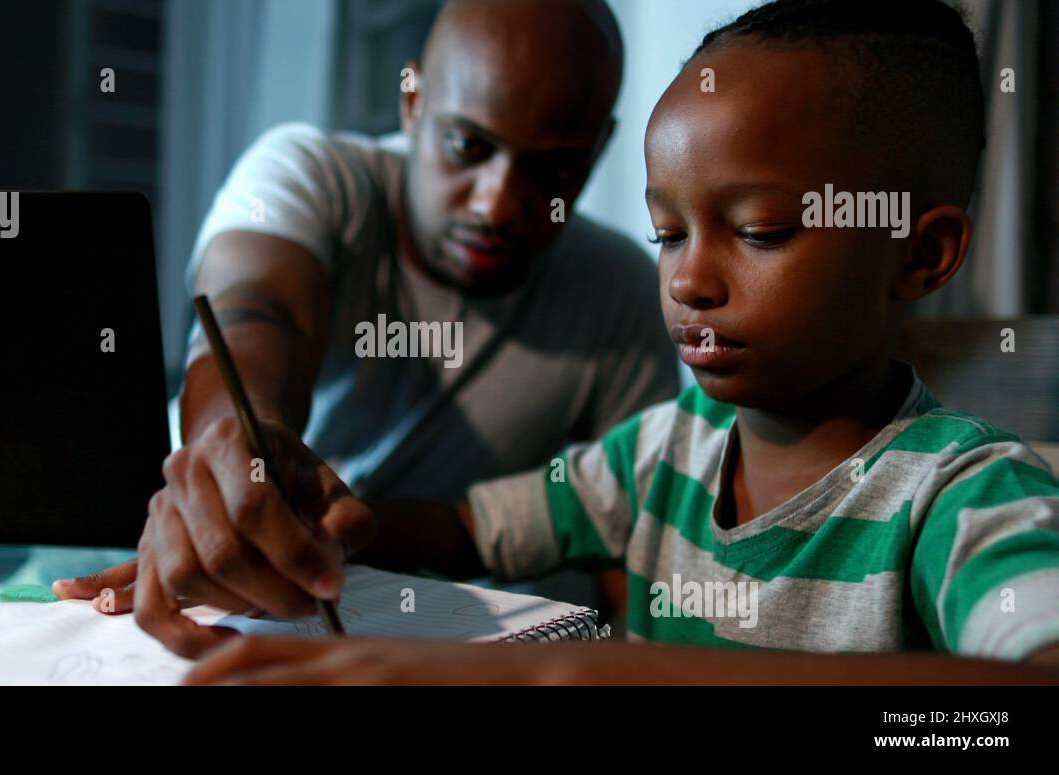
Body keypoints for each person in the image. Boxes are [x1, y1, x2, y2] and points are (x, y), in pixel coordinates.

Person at [177, 0, 1059, 684]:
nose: (687, 281)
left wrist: (570, 673)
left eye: (757, 232)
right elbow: (468, 528)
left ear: (921, 252)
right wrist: (326, 522)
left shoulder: (962, 493)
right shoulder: (661, 452)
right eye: (667, 235)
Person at [54, 0, 677, 631]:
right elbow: (257, 316)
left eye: (554, 169)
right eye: (468, 144)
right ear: (413, 101)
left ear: (600, 148)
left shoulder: (621, 290)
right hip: (189, 572)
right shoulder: (311, 176)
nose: (498, 204)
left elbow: (625, 538)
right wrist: (245, 440)